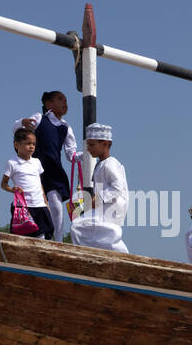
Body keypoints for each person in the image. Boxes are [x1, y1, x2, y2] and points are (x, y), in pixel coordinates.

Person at [14, 91, 78, 242]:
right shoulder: (39, 118)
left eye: (66, 100)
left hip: (53, 169)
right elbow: (19, 132)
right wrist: (21, 123)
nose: (65, 103)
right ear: (48, 104)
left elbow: (71, 154)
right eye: (60, 99)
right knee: (34, 203)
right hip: (35, 169)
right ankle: (38, 235)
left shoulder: (66, 127)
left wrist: (84, 155)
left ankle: (59, 239)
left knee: (55, 205)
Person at [70, 123, 129, 252]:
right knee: (95, 235)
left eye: (92, 145)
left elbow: (117, 188)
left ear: (105, 144)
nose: (89, 149)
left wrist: (97, 198)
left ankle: (123, 254)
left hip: (110, 209)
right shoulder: (100, 164)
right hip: (103, 208)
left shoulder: (110, 164)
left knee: (77, 226)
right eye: (88, 145)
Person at [1, 126, 55, 239]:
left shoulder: (36, 162)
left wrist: (46, 202)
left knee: (43, 234)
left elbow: (39, 183)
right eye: (28, 143)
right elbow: (3, 184)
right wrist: (13, 189)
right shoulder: (12, 163)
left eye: (34, 144)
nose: (31, 147)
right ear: (16, 145)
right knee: (24, 235)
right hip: (24, 207)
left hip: (39, 205)